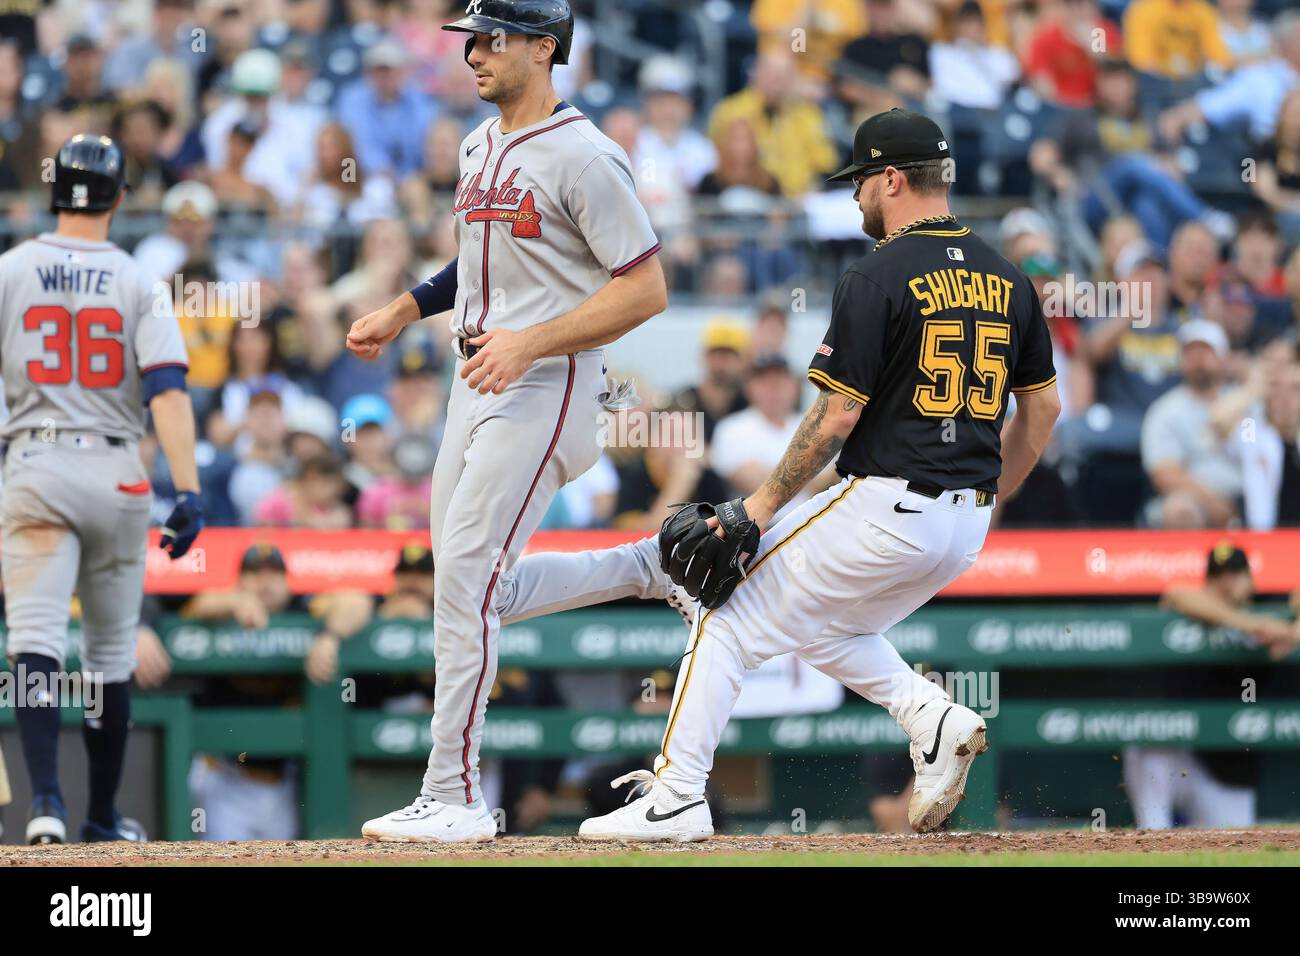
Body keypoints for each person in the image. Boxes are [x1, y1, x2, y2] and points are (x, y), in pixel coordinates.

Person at [578, 108, 1061, 840]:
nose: (856, 198)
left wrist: (758, 508)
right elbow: (1046, 411)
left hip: (887, 505)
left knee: (725, 609)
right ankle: (930, 716)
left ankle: (676, 795)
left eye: (863, 181)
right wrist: (993, 500)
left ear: (893, 178)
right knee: (822, 625)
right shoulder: (1009, 277)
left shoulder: (878, 273)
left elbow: (835, 417)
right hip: (962, 527)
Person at [344, 0, 667, 843]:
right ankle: (648, 565)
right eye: (471, 39)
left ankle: (452, 793)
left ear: (544, 46)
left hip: (548, 384)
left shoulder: (589, 155)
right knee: (468, 585)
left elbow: (643, 288)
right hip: (475, 380)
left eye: (491, 39)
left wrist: (531, 343)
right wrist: (406, 306)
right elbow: (487, 257)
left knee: (465, 586)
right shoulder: (479, 143)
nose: (474, 53)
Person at [0, 135, 204, 844]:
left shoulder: (11, 268)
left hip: (34, 461)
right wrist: (191, 489)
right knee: (110, 653)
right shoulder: (136, 278)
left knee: (34, 641)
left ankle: (44, 804)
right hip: (116, 467)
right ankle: (100, 817)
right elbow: (168, 392)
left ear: (55, 191)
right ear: (119, 197)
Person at [1124, 544, 1299, 829]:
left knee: (1236, 844)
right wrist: (1247, 624)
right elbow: (1175, 593)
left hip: (1229, 766)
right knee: (1148, 747)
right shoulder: (1202, 609)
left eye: (1235, 575)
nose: (1226, 584)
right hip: (1181, 751)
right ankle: (1152, 845)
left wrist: (1293, 628)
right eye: (1218, 578)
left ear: (1250, 579)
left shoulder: (1269, 607)